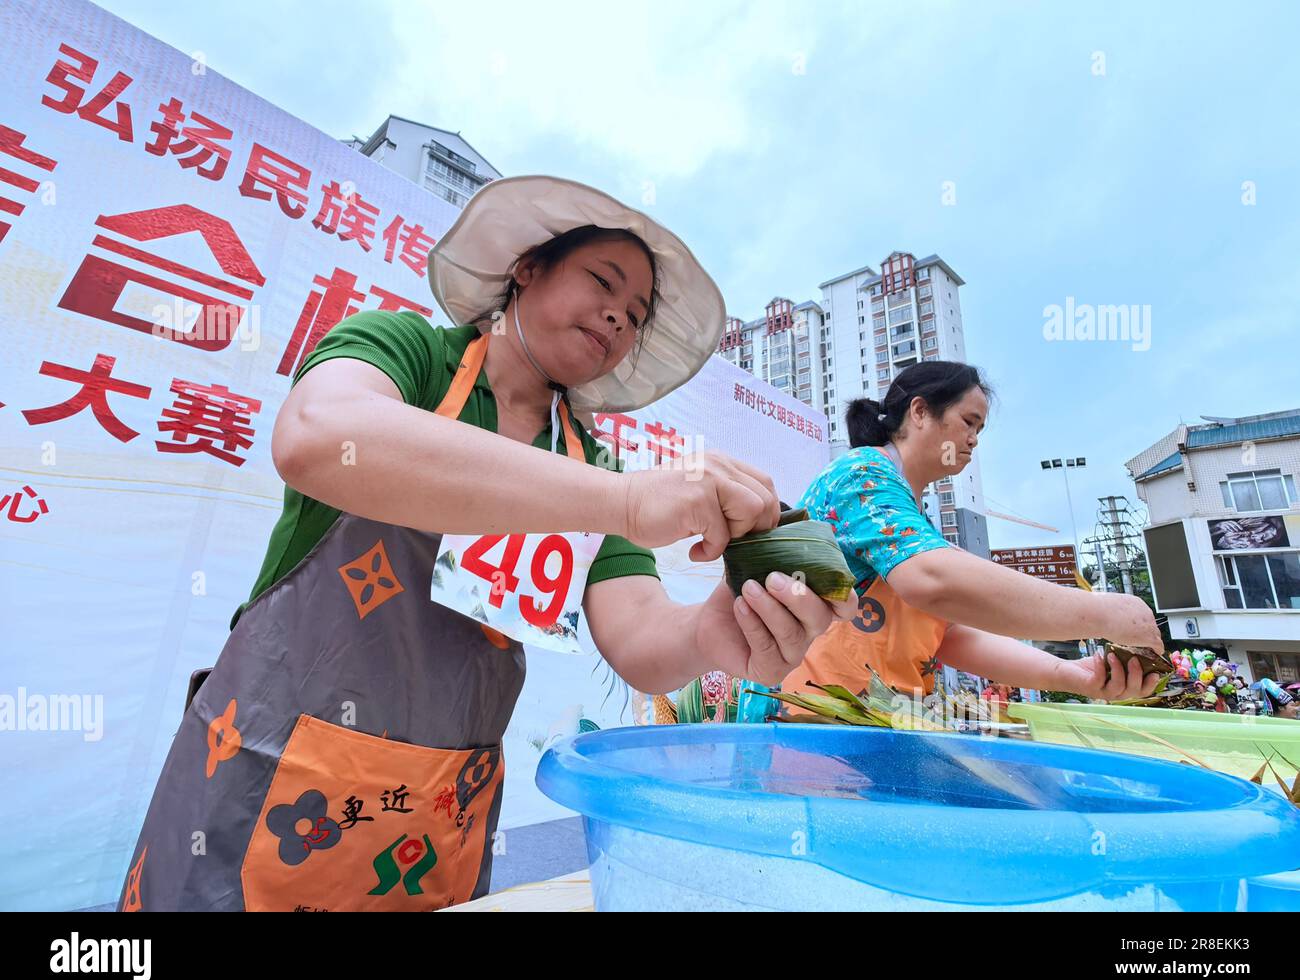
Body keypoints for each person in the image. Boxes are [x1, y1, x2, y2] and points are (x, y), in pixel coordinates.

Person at [118, 175, 854, 912]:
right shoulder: (408, 351)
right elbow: (320, 436)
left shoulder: (589, 462)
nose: (616, 318)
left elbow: (639, 639)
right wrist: (625, 501)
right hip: (275, 777)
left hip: (436, 814)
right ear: (526, 268)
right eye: (602, 281)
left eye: (633, 316)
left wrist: (713, 625)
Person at [778, 362, 1165, 711]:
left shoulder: (914, 520)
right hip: (810, 721)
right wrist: (1105, 613)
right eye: (968, 422)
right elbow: (930, 580)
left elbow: (949, 635)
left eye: (979, 429)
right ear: (919, 412)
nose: (975, 440)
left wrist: (1071, 675)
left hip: (870, 724)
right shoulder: (862, 473)